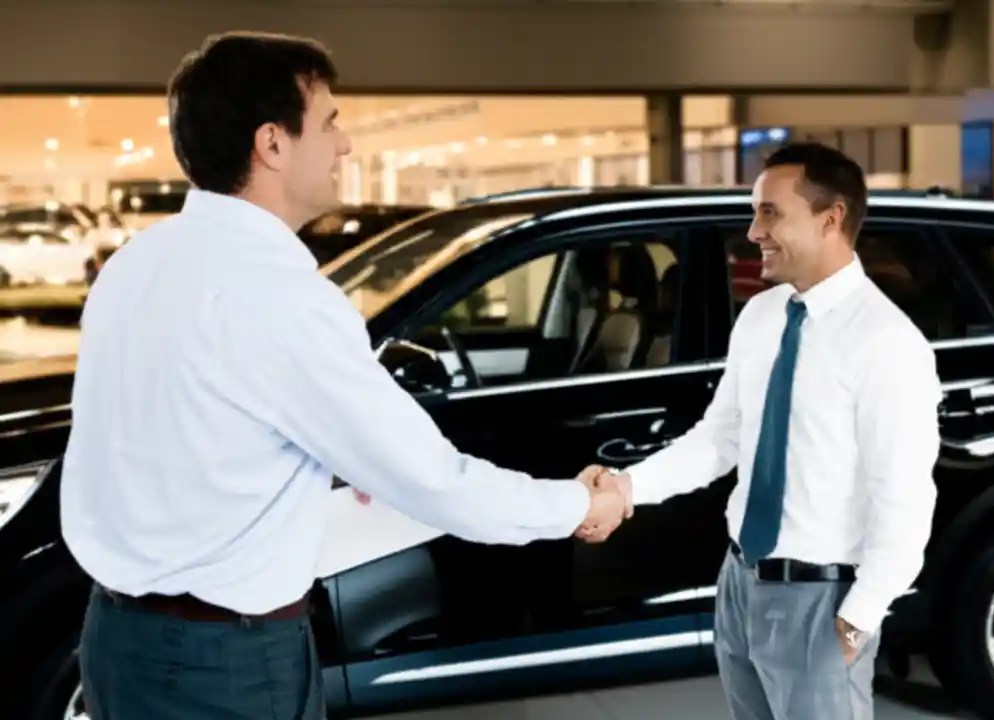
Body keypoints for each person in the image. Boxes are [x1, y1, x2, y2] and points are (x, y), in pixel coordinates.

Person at [60, 31, 625, 720]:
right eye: (329, 122)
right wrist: (576, 506)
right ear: (272, 143)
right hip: (224, 665)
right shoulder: (280, 296)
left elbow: (187, 459)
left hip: (115, 639)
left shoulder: (134, 266)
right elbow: (431, 480)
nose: (345, 144)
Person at [577, 142, 942, 719]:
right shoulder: (762, 316)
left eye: (771, 213)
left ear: (831, 219)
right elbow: (719, 438)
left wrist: (859, 618)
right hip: (741, 582)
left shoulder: (887, 343)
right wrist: (626, 489)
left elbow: (904, 497)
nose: (752, 232)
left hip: (822, 600)